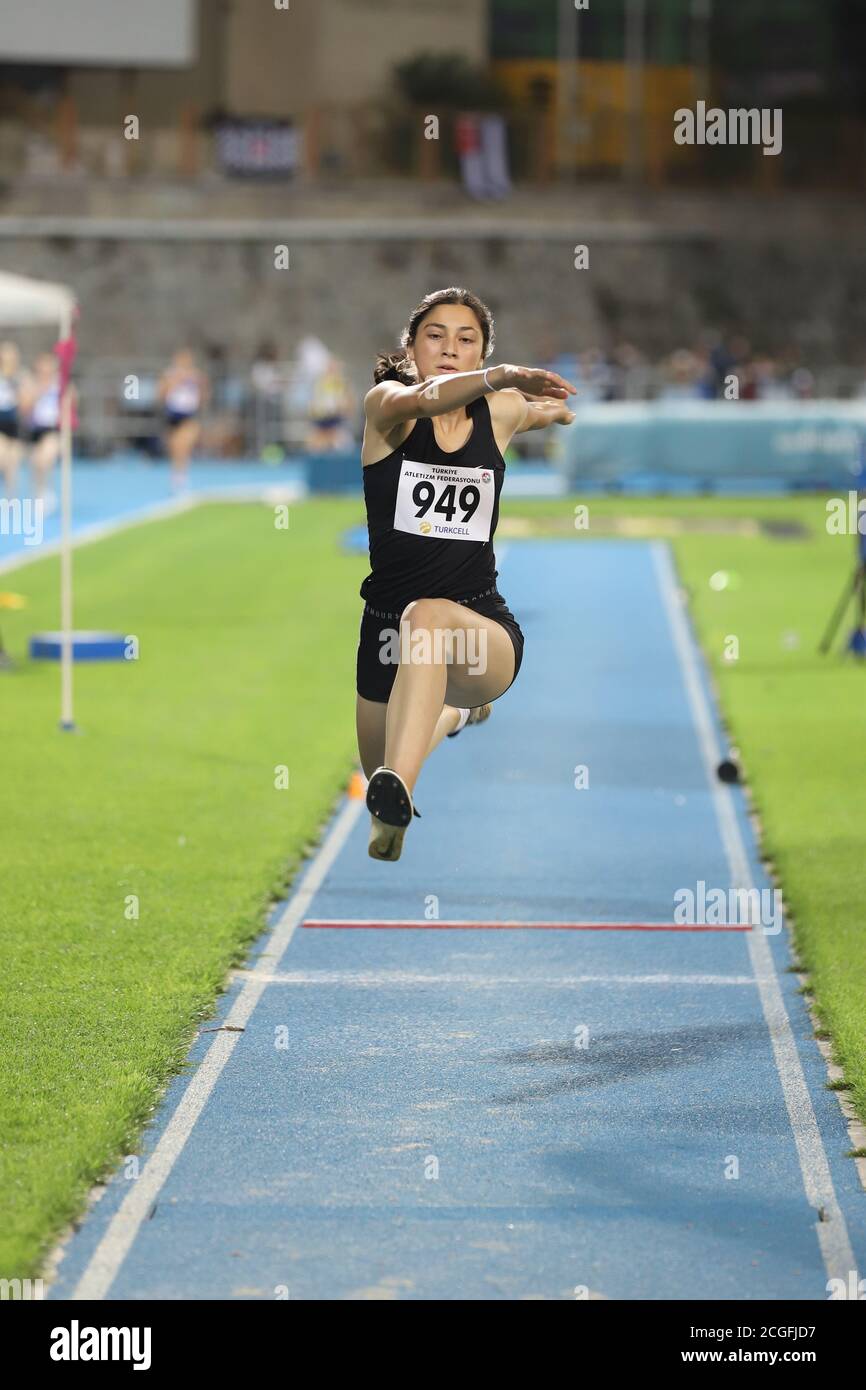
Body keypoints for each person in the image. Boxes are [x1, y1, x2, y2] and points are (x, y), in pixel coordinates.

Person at [357, 286, 577, 861]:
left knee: (425, 616)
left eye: (466, 339)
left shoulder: (498, 409)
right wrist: (504, 375)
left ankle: (430, 744)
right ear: (410, 348)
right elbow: (426, 401)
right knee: (380, 789)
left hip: (480, 628)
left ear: (479, 354)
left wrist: (545, 414)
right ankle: (449, 720)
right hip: (384, 634)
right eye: (435, 336)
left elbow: (522, 415)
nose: (450, 349)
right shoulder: (386, 406)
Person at [20, 352, 68, 512]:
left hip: (53, 429)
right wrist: (37, 392)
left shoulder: (60, 384)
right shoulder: (31, 384)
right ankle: (40, 492)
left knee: (45, 458)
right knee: (35, 465)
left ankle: (45, 492)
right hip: (34, 430)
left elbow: (72, 403)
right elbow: (24, 409)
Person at [157, 348, 210, 489]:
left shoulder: (196, 375)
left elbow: (204, 393)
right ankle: (176, 473)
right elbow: (161, 394)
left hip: (188, 415)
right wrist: (174, 382)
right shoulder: (169, 375)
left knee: (184, 446)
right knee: (175, 448)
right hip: (173, 414)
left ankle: (181, 476)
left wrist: (200, 393)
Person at [0, 341, 26, 499]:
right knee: (2, 457)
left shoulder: (20, 376)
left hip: (14, 424)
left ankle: (10, 497)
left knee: (13, 464)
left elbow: (25, 404)